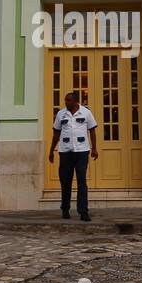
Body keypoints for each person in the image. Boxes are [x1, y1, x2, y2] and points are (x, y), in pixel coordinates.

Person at [48, 90, 98, 221]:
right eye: (65, 100)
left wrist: (94, 148)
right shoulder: (60, 114)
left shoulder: (86, 113)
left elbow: (92, 131)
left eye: (69, 100)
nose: (66, 102)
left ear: (76, 101)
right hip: (65, 152)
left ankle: (83, 211)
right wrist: (51, 151)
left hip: (82, 152)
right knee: (65, 182)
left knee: (82, 182)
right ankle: (65, 209)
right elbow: (56, 134)